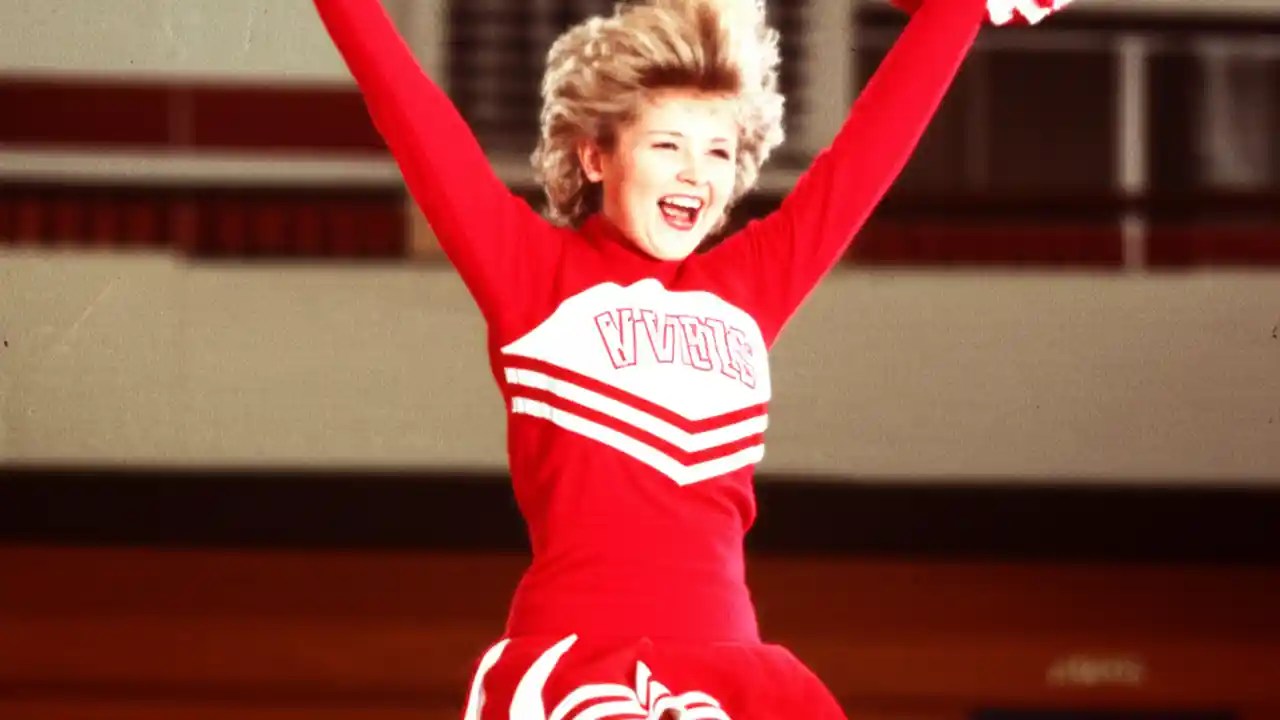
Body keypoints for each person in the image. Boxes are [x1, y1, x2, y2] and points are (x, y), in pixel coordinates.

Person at [312, 0, 1072, 717]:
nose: (695, 174)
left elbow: (872, 150)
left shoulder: (748, 286)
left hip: (733, 671)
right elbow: (405, 103)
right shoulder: (531, 275)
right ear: (596, 157)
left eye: (716, 150)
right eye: (666, 145)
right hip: (583, 666)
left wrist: (959, 9)